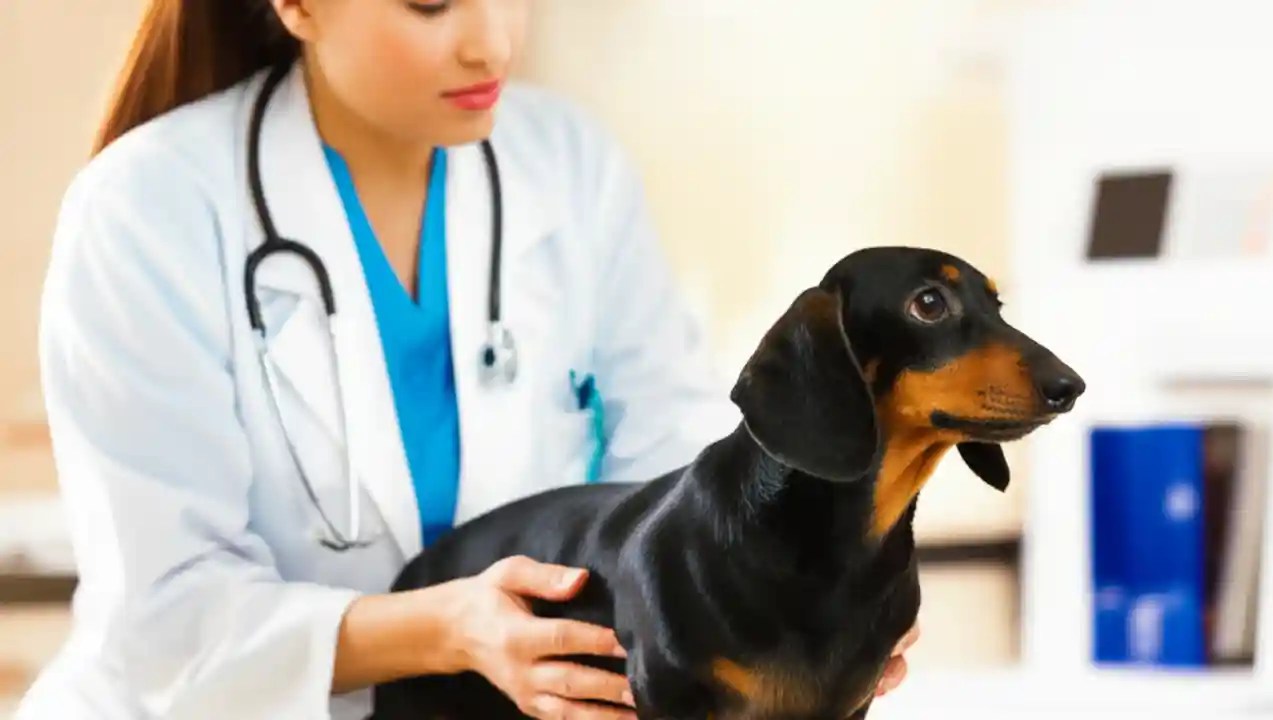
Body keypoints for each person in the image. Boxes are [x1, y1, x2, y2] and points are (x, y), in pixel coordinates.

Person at [17, 1, 919, 718]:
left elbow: (677, 484)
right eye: (431, 3)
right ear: (294, 4)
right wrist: (446, 629)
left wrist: (783, 589)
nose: (493, 43)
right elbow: (166, 621)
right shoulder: (146, 209)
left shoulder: (570, 168)